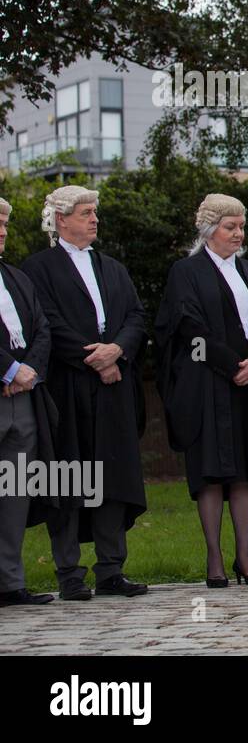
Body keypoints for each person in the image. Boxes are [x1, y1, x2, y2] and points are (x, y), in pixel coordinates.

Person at [23, 186, 148, 600]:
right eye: (85, 213)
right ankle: (69, 574)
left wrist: (119, 351)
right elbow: (46, 324)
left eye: (95, 213)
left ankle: (111, 570)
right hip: (68, 387)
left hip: (114, 390)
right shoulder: (38, 268)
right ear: (61, 220)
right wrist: (95, 358)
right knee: (70, 477)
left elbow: (135, 315)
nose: (94, 220)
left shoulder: (112, 267)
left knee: (112, 479)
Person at [154, 194, 248, 586]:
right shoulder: (186, 272)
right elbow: (189, 326)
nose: (238, 234)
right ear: (210, 230)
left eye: (241, 226)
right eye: (230, 227)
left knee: (245, 470)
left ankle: (245, 558)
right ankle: (214, 558)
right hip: (208, 384)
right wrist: (232, 365)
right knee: (213, 472)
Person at [0, 197, 59, 607]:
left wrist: (28, 372)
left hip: (22, 401)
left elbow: (42, 328)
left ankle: (10, 582)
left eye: (4, 224)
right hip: (6, 385)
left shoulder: (17, 277)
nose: (2, 231)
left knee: (14, 496)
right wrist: (8, 370)